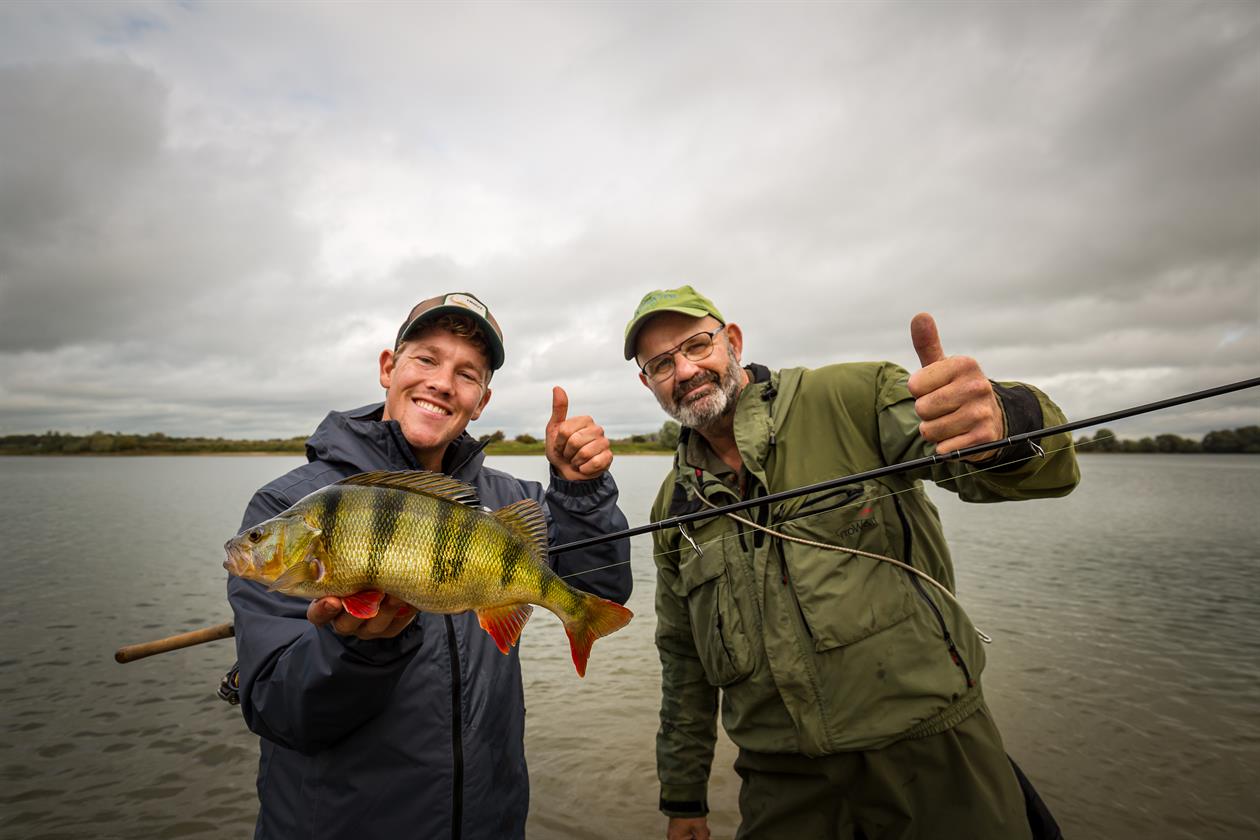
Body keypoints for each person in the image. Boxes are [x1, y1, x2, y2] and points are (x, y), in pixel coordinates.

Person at [623, 285, 1079, 840]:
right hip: (780, 782)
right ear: (648, 383)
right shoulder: (671, 505)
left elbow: (1035, 471)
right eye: (662, 363)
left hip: (931, 753)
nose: (686, 370)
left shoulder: (851, 396)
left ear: (733, 341)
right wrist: (684, 798)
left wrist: (1003, 426)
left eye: (697, 345)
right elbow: (683, 663)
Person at [227, 291, 632, 840]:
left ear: (482, 400)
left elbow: (602, 586)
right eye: (426, 359)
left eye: (467, 373)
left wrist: (580, 492)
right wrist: (354, 648)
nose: (443, 382)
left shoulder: (516, 500)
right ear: (388, 368)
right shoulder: (287, 506)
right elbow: (279, 711)